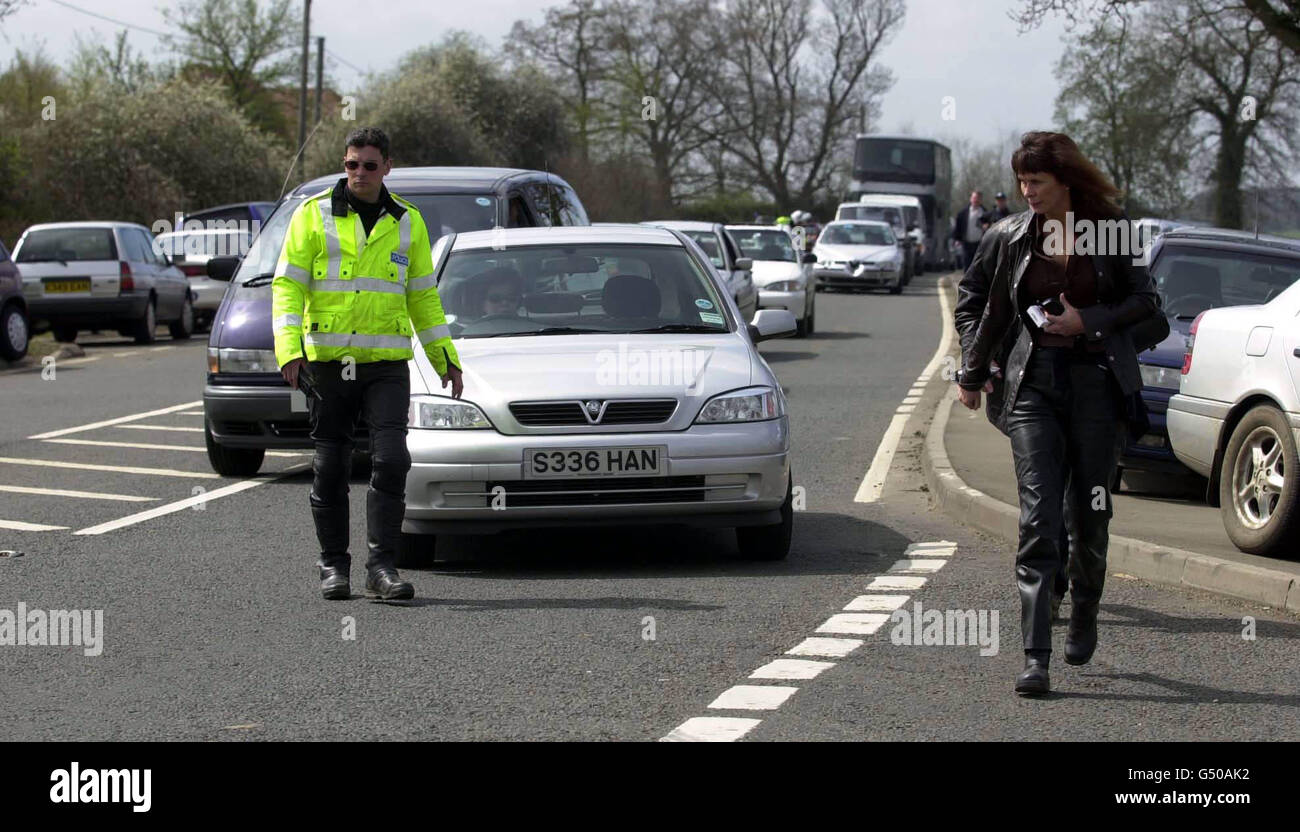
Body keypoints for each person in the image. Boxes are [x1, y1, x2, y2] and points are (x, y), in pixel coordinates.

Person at [952, 131, 1157, 696]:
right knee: (1038, 516)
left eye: (1037, 182)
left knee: (1089, 515)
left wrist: (1086, 322)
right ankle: (1035, 656)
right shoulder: (1009, 235)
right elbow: (987, 307)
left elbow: (1148, 304)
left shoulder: (1110, 232)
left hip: (1096, 389)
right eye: (1021, 181)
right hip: (1032, 389)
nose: (1027, 192)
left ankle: (1086, 608)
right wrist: (973, 373)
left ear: (1066, 180)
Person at [272, 127, 465, 602]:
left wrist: (446, 358)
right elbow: (288, 285)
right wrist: (289, 348)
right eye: (351, 164)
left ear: (387, 168)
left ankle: (382, 568)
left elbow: (423, 296)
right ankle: (333, 565)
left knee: (393, 459)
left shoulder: (407, 221)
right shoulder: (310, 214)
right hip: (328, 361)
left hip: (385, 362)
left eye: (369, 165)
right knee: (332, 465)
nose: (359, 173)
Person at [950, 190, 989, 271]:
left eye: (978, 198)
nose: (976, 200)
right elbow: (958, 227)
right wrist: (957, 239)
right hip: (966, 244)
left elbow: (991, 227)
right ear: (971, 199)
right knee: (967, 265)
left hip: (980, 244)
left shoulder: (985, 213)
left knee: (977, 266)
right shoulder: (963, 213)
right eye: (974, 198)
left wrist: (987, 227)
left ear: (981, 200)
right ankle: (966, 282)